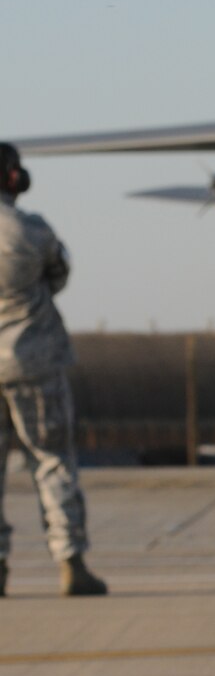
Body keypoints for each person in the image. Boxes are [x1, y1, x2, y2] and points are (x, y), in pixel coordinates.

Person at [0, 143, 107, 598]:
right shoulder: (31, 229)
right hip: (34, 361)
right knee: (52, 461)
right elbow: (59, 275)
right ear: (12, 177)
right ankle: (70, 562)